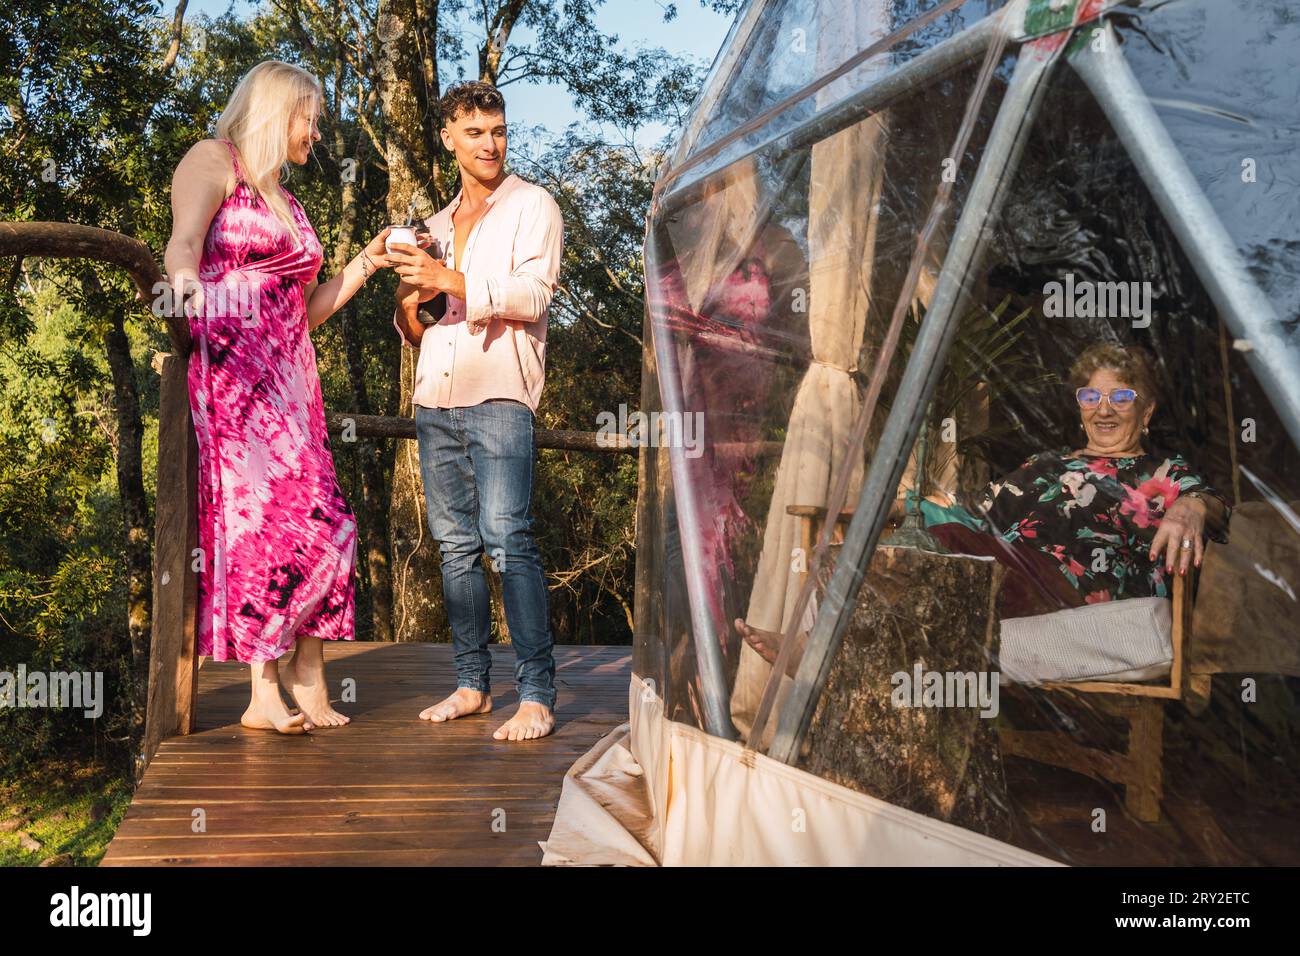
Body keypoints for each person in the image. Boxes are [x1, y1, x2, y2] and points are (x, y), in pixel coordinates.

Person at [738, 341, 1232, 671]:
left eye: (1121, 396)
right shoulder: (1044, 463)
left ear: (1146, 410)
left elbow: (1215, 504)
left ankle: (815, 650)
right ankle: (826, 646)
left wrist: (1191, 508)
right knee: (898, 546)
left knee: (945, 549)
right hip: (1009, 573)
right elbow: (978, 511)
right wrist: (898, 507)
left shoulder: (1160, 474)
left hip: (1079, 585)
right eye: (1090, 395)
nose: (1103, 408)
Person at [165, 60, 395, 733]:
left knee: (327, 525)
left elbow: (304, 309)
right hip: (233, 380)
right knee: (259, 526)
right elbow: (183, 241)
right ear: (274, 110)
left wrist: (365, 265)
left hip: (293, 384)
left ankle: (307, 668)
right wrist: (181, 286)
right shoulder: (214, 162)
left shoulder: (286, 202)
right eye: (309, 117)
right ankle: (262, 688)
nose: (316, 132)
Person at [387, 81, 564, 741]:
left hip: (501, 398)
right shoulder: (431, 227)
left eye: (498, 130)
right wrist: (410, 301)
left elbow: (532, 295)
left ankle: (537, 695)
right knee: (455, 545)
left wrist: (450, 281)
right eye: (475, 133)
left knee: (508, 538)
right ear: (449, 139)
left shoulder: (533, 206)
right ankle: (471, 685)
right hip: (436, 400)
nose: (490, 144)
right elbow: (421, 326)